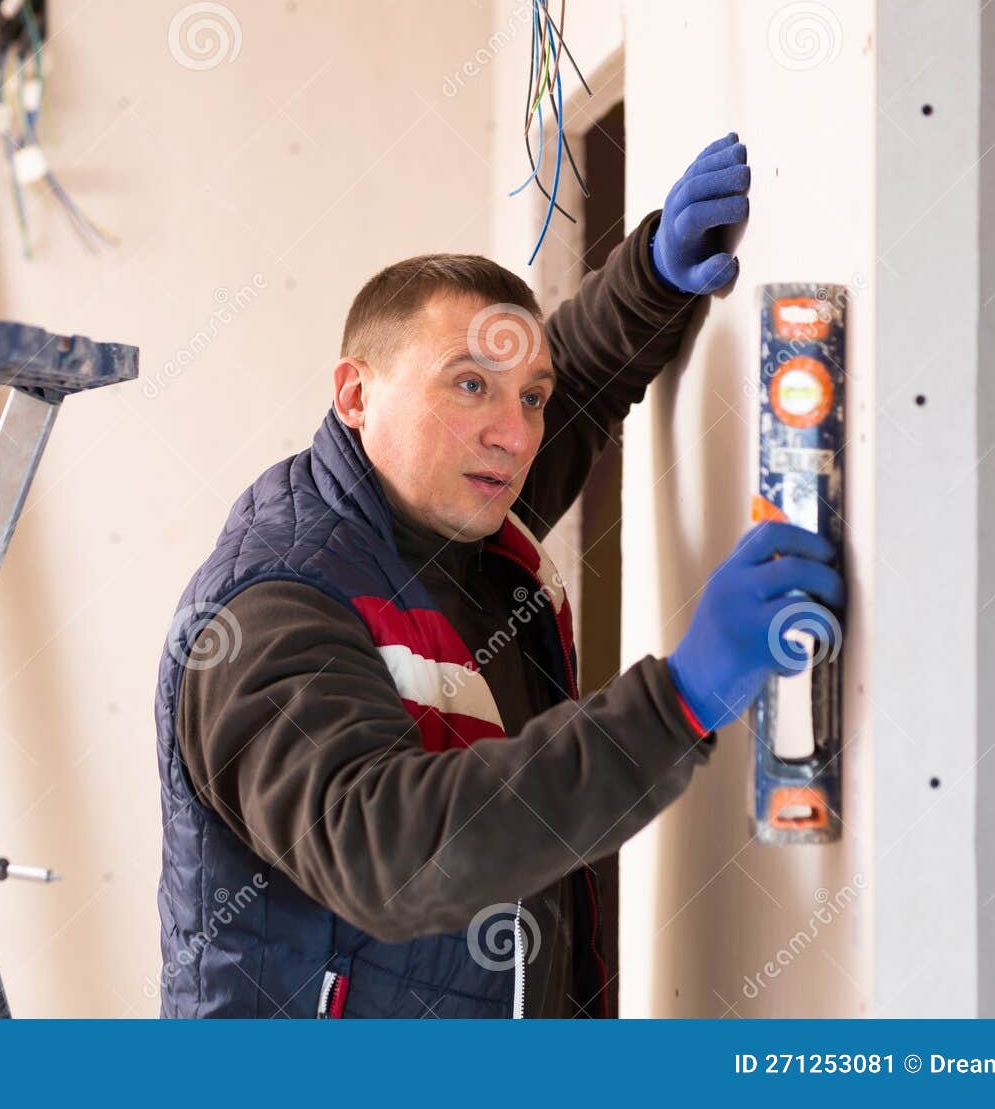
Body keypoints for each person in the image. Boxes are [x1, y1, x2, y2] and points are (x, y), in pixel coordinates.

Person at [153, 132, 845, 1018]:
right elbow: (388, 857)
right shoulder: (270, 611)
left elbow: (580, 379)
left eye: (528, 396)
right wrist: (677, 703)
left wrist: (656, 278)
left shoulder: (450, 512)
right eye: (468, 384)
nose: (513, 434)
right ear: (357, 394)